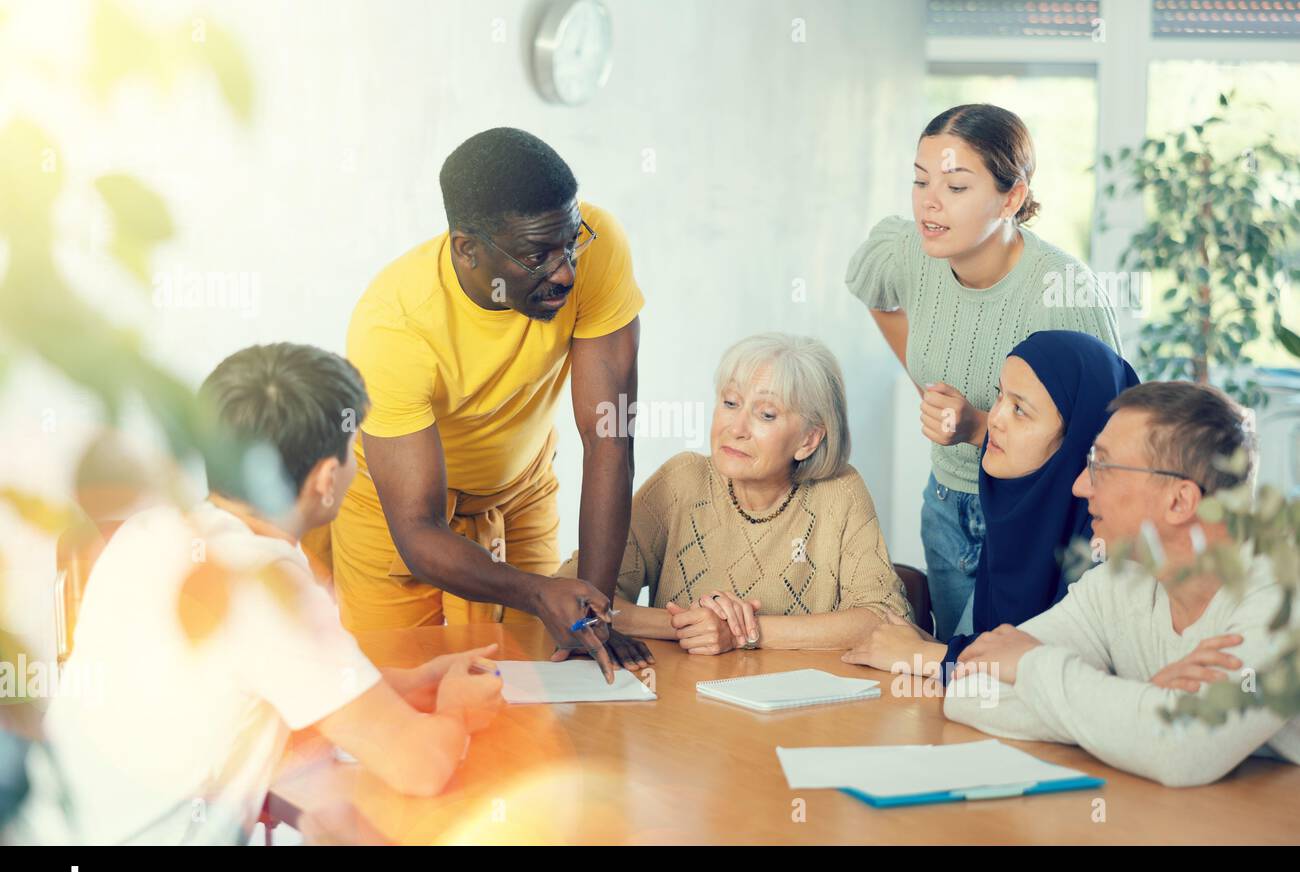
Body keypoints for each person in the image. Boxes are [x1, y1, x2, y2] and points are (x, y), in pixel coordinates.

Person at [11, 344, 502, 844]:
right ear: (326, 480)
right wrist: (458, 710)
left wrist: (413, 682)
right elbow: (418, 768)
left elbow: (262, 679)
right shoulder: (269, 587)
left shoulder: (150, 531)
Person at [306, 127, 648, 682]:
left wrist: (592, 614)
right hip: (397, 516)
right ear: (467, 249)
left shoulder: (598, 244)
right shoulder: (393, 326)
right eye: (538, 254)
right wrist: (538, 591)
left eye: (569, 243)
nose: (564, 271)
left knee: (540, 686)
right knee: (403, 696)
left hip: (521, 492)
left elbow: (610, 439)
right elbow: (417, 527)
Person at [846, 103, 1122, 641]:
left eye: (955, 187)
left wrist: (977, 426)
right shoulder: (909, 252)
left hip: (1035, 522)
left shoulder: (1063, 293)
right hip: (947, 504)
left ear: (1012, 197)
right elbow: (872, 285)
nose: (929, 201)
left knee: (1000, 679)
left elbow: (1101, 443)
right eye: (920, 180)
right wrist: (925, 377)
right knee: (957, 693)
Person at [944, 381, 1300, 787]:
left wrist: (1030, 665)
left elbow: (1181, 751)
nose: (1080, 486)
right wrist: (1142, 702)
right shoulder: (1119, 583)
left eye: (1102, 465)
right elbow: (967, 690)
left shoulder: (1282, 600)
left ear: (1179, 502)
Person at [558, 334, 912, 653]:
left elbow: (884, 619)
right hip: (685, 706)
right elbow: (573, 593)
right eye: (730, 403)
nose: (736, 428)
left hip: (801, 716)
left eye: (767, 414)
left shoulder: (839, 493)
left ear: (808, 440)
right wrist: (694, 627)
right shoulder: (684, 481)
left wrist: (745, 631)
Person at [843, 331, 1138, 678]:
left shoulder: (1110, 549)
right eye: (1000, 395)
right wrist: (932, 649)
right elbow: (997, 649)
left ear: (1077, 440)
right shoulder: (1017, 502)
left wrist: (931, 657)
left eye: (1020, 410)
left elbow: (1064, 679)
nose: (994, 418)